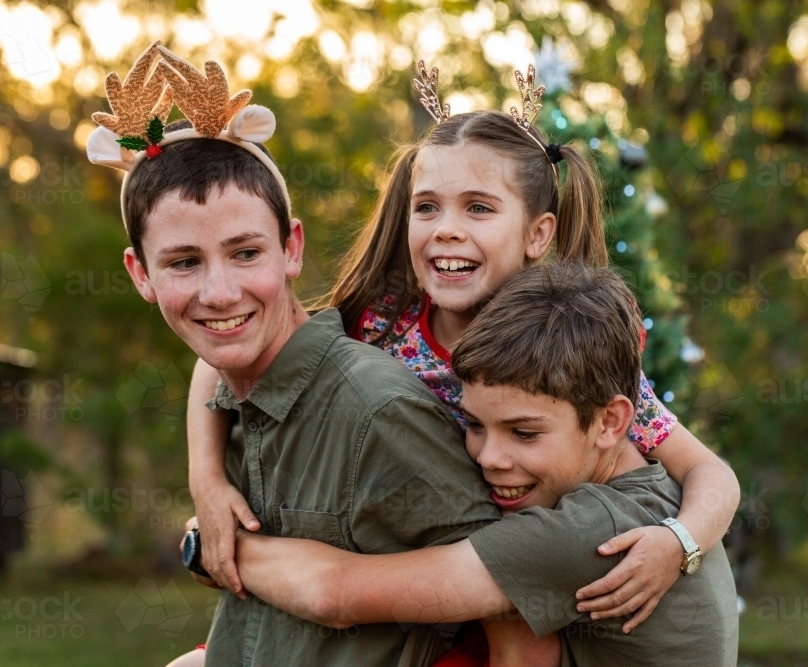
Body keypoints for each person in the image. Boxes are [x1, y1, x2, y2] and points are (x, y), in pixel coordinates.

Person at [186, 61, 741, 638]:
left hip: (522, 599)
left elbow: (709, 471)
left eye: (478, 207)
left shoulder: (567, 353)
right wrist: (207, 480)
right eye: (427, 207)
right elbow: (230, 349)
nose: (446, 228)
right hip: (413, 591)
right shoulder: (382, 323)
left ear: (537, 234)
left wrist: (680, 543)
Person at [89, 43, 501, 667]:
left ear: (292, 249)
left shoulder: (375, 411)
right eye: (183, 263)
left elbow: (510, 593)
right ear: (140, 274)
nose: (219, 292)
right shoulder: (234, 393)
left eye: (246, 253)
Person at [228, 263, 741, 667]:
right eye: (474, 425)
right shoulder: (653, 488)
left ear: (610, 421)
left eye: (524, 433)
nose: (489, 459)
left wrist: (216, 547)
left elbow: (334, 595)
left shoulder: (592, 534)